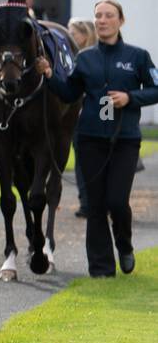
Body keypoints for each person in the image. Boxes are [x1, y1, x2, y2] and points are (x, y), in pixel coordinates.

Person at [38, 0, 158, 277]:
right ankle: (101, 267)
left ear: (121, 21)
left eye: (108, 16)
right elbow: (69, 92)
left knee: (117, 201)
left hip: (125, 140)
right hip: (90, 138)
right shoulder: (85, 58)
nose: (102, 20)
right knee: (95, 205)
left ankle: (125, 246)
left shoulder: (138, 56)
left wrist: (131, 97)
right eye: (98, 16)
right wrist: (49, 74)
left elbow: (155, 89)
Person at [67, 17, 99, 218]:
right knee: (81, 161)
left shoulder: (94, 58)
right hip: (78, 119)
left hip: (98, 115)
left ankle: (98, 201)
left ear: (85, 35)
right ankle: (86, 202)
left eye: (73, 33)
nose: (69, 36)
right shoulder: (71, 57)